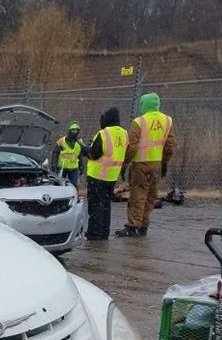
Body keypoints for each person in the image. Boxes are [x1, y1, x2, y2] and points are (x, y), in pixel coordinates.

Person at [117, 92, 176, 237]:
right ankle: (144, 224)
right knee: (151, 195)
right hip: (156, 164)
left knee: (137, 195)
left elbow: (131, 147)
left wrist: (124, 163)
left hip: (140, 164)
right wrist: (165, 163)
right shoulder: (168, 121)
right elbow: (170, 146)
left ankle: (133, 225)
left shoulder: (139, 122)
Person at [84, 108, 128, 241]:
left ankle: (94, 233)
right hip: (112, 176)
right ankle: (104, 232)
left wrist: (84, 149)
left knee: (95, 205)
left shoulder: (103, 134)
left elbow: (94, 154)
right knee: (106, 205)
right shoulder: (124, 133)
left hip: (98, 175)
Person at [52, 121, 85, 187]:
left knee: (74, 186)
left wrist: (81, 166)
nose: (74, 132)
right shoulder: (61, 141)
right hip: (62, 168)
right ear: (69, 130)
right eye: (73, 130)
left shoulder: (79, 142)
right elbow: (55, 154)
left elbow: (80, 155)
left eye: (76, 130)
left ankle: (74, 196)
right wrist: (54, 165)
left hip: (73, 168)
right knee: (59, 185)